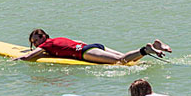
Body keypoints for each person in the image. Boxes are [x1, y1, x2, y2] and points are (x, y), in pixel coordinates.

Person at [14, 28, 172, 64]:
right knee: (129, 61)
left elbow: (29, 56)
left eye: (37, 40)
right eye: (34, 43)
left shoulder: (47, 44)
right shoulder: (57, 39)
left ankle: (146, 49)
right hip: (93, 46)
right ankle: (157, 45)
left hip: (85, 52)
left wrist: (15, 59)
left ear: (44, 37)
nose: (36, 44)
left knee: (121, 61)